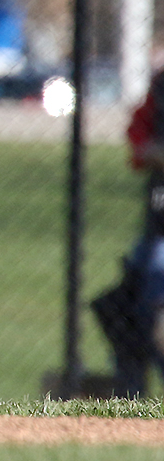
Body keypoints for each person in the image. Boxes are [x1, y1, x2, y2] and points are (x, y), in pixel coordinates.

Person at [96, 68, 164, 396]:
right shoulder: (162, 84)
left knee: (153, 306)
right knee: (128, 311)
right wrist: (149, 150)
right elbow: (138, 137)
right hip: (158, 227)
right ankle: (131, 397)